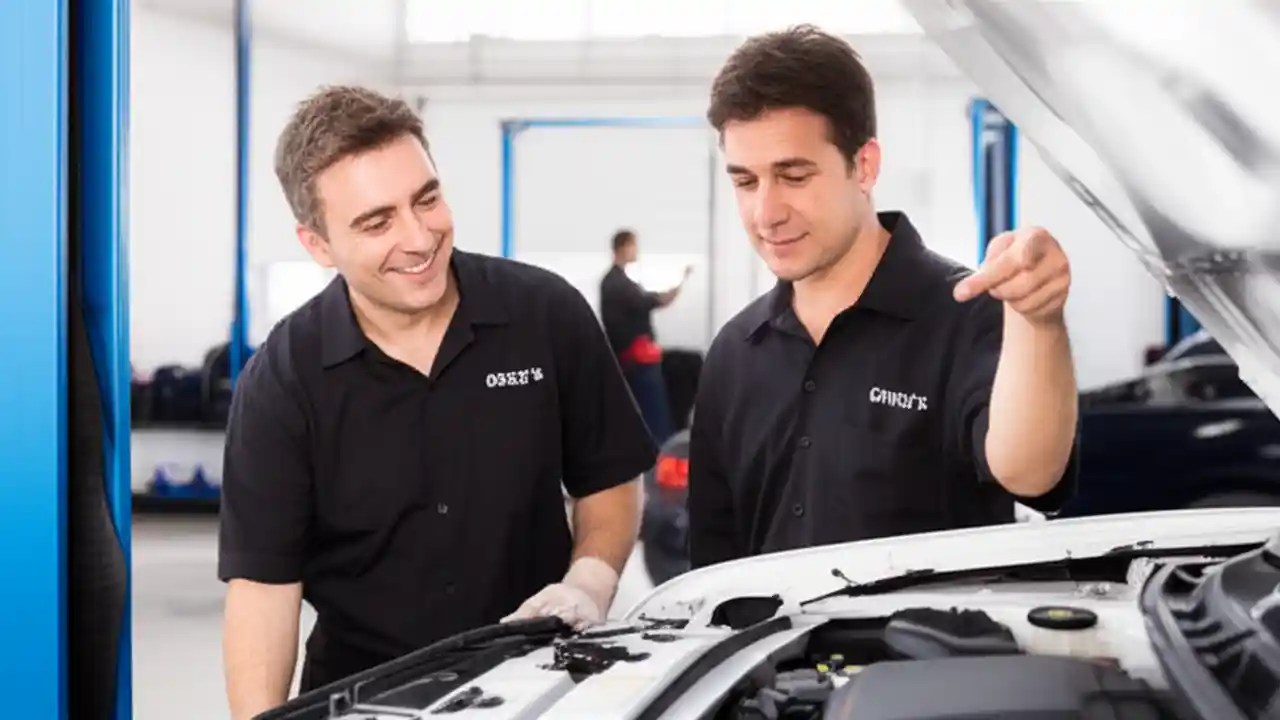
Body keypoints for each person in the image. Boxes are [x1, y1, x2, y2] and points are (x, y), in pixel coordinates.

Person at [217, 86, 657, 718]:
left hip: (544, 686)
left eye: (426, 199)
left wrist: (591, 577)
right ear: (317, 244)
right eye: (377, 222)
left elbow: (609, 475)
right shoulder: (283, 379)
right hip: (367, 698)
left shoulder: (546, 314)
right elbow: (263, 588)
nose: (420, 237)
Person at [687, 26, 1080, 568]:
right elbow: (713, 558)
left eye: (794, 175)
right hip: (766, 652)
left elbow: (1031, 475)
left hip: (924, 652)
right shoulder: (735, 352)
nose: (766, 213)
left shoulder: (967, 316)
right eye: (745, 182)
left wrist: (1038, 322)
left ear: (864, 166)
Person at [599, 229, 691, 444]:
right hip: (637, 360)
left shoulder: (618, 282)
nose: (636, 250)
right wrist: (682, 280)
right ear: (622, 248)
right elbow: (656, 301)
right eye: (633, 245)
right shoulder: (618, 284)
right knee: (655, 416)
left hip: (632, 359)